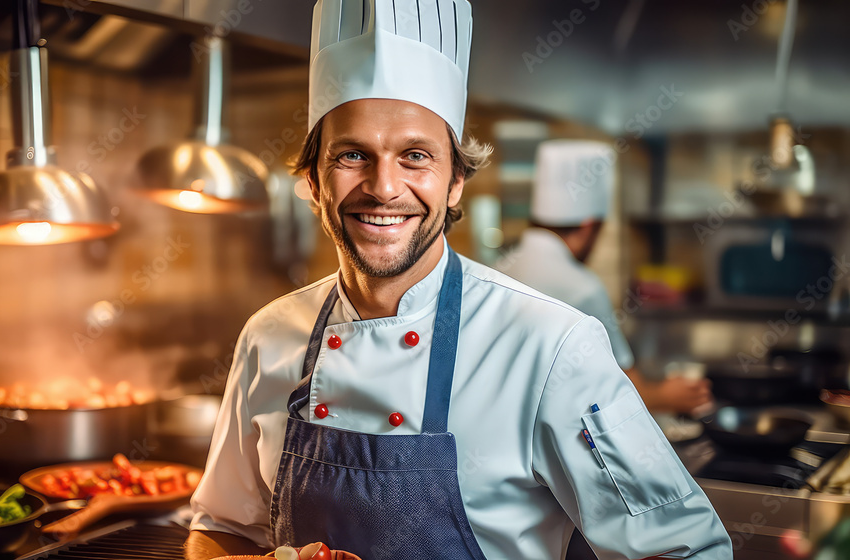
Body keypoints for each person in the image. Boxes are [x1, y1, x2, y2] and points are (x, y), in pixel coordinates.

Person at [186, 1, 731, 559]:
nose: (384, 187)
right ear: (313, 179)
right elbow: (220, 529)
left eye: (415, 156)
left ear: (455, 184)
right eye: (352, 155)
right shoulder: (267, 335)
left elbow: (687, 549)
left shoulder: (550, 346)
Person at [494, 140, 713, 415]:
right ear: (589, 226)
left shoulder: (498, 269)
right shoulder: (581, 287)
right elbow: (624, 392)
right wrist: (671, 395)